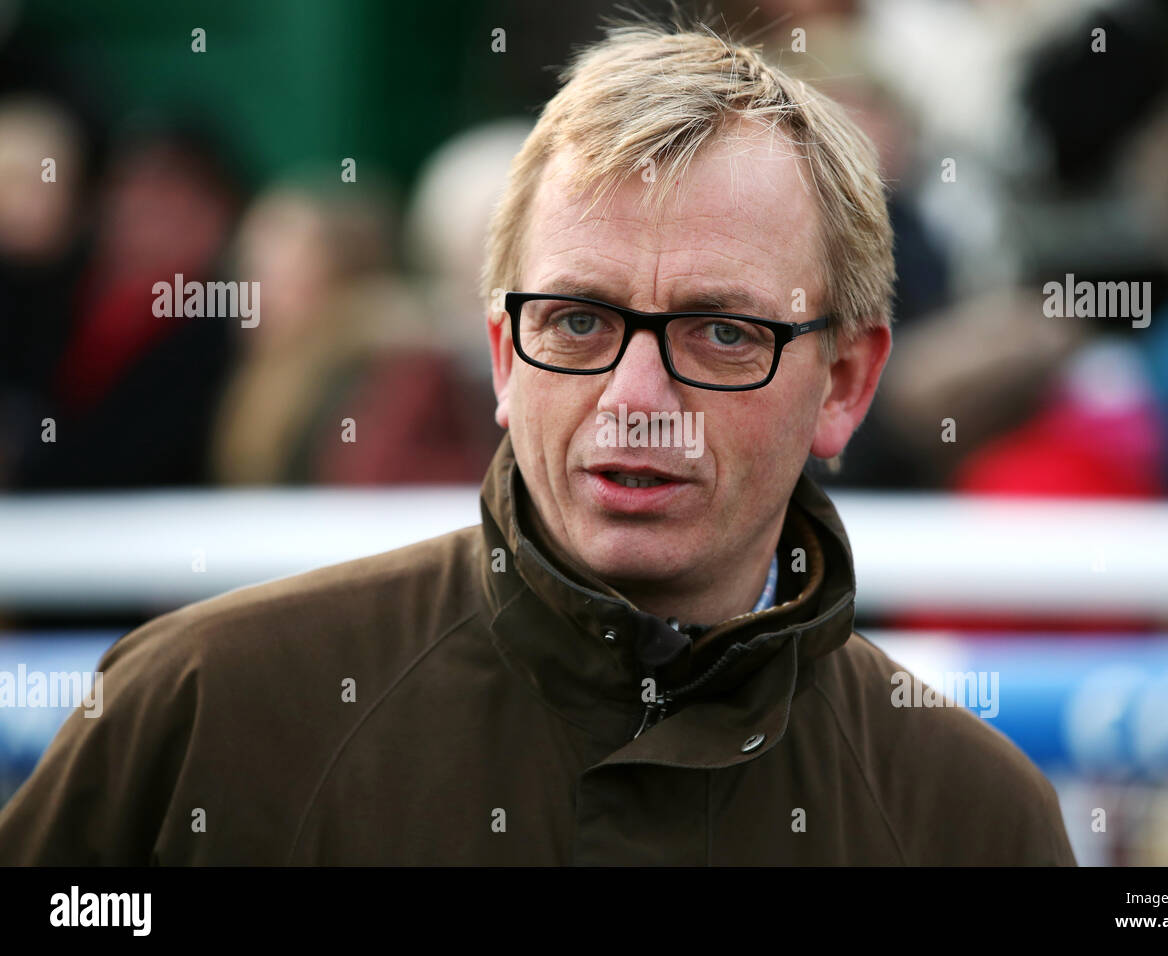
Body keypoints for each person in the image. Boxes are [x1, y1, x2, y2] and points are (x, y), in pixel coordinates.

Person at [0, 20, 1075, 865]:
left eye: (721, 330)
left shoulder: (968, 819)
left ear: (843, 381)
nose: (636, 395)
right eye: (578, 321)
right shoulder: (198, 718)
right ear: (503, 358)